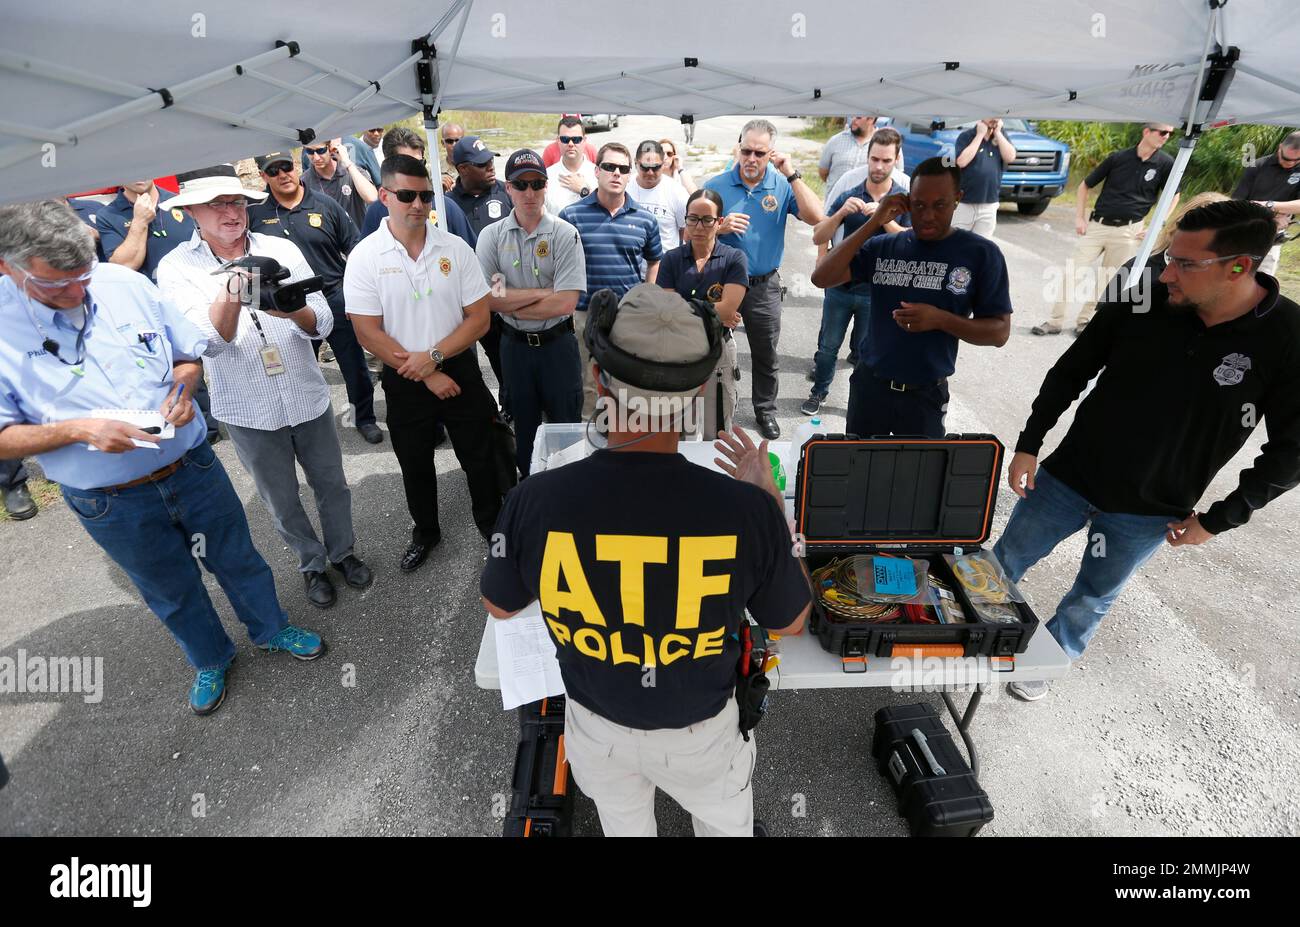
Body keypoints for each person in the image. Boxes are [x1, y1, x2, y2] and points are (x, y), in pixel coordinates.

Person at [481, 284, 810, 837]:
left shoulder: (533, 500)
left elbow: (500, 605)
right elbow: (791, 623)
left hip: (596, 724)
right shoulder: (747, 511)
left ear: (596, 378)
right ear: (701, 389)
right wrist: (775, 507)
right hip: (700, 733)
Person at [0, 199, 325, 715]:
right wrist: (77, 430)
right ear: (7, 267)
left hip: (191, 464)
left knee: (239, 559)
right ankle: (211, 657)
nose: (76, 292)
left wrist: (183, 386)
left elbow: (189, 352)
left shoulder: (122, 283)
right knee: (170, 587)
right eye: (55, 284)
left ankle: (272, 628)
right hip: (110, 499)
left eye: (82, 274)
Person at [994, 200, 1300, 701]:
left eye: (1185, 264)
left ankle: (1048, 657)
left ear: (1239, 267)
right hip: (1068, 477)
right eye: (1170, 259)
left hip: (1150, 508)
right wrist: (1030, 443)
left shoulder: (1288, 336)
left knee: (1092, 596)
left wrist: (1221, 518)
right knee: (1003, 561)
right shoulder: (1141, 295)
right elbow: (1073, 368)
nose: (1166, 275)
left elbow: (1291, 451)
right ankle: (963, 634)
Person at [157, 166, 374, 609]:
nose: (230, 212)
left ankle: (343, 552)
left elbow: (323, 322)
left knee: (332, 483)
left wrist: (288, 309)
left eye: (235, 201)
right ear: (191, 211)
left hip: (305, 392)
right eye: (216, 204)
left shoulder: (281, 247)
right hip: (247, 408)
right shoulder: (176, 267)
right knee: (281, 498)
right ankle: (312, 564)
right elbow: (208, 342)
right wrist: (237, 290)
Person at [344, 154, 509, 571]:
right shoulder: (365, 257)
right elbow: (368, 332)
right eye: (406, 195)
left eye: (424, 195)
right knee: (414, 463)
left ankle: (491, 525)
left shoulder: (454, 248)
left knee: (479, 457)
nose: (417, 204)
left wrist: (435, 359)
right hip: (404, 376)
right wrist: (426, 373)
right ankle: (426, 531)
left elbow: (480, 318)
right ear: (384, 196)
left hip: (458, 369)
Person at [812, 157, 1012, 438]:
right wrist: (874, 222)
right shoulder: (884, 246)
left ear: (958, 199)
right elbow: (821, 277)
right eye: (919, 205)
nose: (928, 215)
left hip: (925, 396)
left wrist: (940, 319)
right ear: (907, 201)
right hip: (870, 388)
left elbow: (999, 332)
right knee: (861, 477)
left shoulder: (980, 254)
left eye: (939, 205)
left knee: (917, 480)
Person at [247, 152, 384, 445]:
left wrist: (357, 297)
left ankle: (365, 418)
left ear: (297, 167)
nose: (283, 174)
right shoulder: (254, 214)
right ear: (263, 176)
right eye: (274, 171)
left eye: (287, 167)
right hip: (287, 307)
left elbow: (356, 251)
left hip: (334, 298)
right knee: (295, 369)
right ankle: (305, 424)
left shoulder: (325, 205)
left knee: (353, 366)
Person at [704, 119, 824, 439]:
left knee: (765, 352)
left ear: (772, 153)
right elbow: (691, 233)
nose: (752, 159)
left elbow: (816, 216)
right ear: (738, 147)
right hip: (722, 284)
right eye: (746, 150)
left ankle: (765, 410)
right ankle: (714, 410)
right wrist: (719, 227)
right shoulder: (716, 185)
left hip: (764, 284)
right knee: (712, 348)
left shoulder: (781, 185)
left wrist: (792, 173)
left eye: (760, 152)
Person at [476, 149, 586, 476]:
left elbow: (565, 303)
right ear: (507, 187)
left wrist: (512, 298)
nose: (529, 193)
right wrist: (543, 291)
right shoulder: (491, 236)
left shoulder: (565, 234)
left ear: (545, 186)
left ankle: (566, 492)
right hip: (515, 348)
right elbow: (488, 299)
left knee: (566, 428)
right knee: (524, 427)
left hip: (557, 347)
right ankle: (528, 492)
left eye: (536, 184)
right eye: (520, 185)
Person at [803, 127, 910, 416]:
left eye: (886, 161)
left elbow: (913, 244)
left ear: (896, 159)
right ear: (868, 156)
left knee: (864, 353)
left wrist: (883, 217)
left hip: (879, 292)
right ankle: (818, 392)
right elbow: (818, 235)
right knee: (827, 348)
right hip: (840, 287)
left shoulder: (903, 199)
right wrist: (839, 215)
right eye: (875, 159)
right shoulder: (851, 192)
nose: (878, 166)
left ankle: (857, 400)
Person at [1035, 123, 1177, 335]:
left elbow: (1174, 195)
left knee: (1108, 278)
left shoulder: (1165, 163)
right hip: (1098, 226)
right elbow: (1085, 185)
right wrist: (1079, 218)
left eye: (1170, 134)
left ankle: (1085, 321)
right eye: (1163, 132)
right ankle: (1055, 321)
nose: (1166, 137)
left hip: (1129, 231)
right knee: (1073, 271)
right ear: (1147, 132)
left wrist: (1158, 224)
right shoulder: (1118, 158)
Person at [559, 142, 663, 419]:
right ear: (596, 171)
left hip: (627, 315)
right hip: (583, 315)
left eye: (623, 168)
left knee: (627, 382)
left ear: (630, 175)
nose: (616, 173)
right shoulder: (571, 216)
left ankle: (625, 442)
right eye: (609, 167)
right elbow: (558, 265)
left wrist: (648, 297)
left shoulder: (645, 220)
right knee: (588, 385)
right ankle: (590, 444)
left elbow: (655, 261)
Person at [656, 188, 748, 440]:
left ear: (719, 222)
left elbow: (729, 309)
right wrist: (712, 312)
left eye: (707, 220)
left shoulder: (734, 258)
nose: (699, 226)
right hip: (678, 349)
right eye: (692, 218)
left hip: (718, 351)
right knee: (678, 429)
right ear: (685, 219)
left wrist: (685, 307)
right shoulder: (671, 259)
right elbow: (665, 311)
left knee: (716, 428)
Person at [448, 136, 514, 413]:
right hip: (460, 297)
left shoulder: (506, 194)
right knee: (463, 360)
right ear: (463, 169)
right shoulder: (446, 204)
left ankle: (510, 406)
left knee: (504, 357)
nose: (490, 166)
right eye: (481, 164)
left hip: (498, 292)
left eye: (490, 160)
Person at [359, 128, 476, 247]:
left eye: (420, 164)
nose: (416, 171)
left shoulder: (445, 207)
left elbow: (472, 254)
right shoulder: (376, 212)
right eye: (408, 164)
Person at [96, 180, 196, 282]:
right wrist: (139, 221)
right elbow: (125, 267)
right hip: (149, 294)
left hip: (190, 288)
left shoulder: (179, 202)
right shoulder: (107, 215)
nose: (138, 174)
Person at [1231, 130, 1300, 278]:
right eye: (1287, 159)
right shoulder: (1258, 165)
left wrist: (1270, 205)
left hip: (1274, 235)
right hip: (1248, 229)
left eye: (1296, 160)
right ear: (1280, 147)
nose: (1291, 163)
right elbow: (1237, 201)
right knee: (1238, 270)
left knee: (1263, 276)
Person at [951, 118, 1016, 238]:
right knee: (957, 243)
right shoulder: (967, 136)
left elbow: (1010, 157)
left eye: (998, 116)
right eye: (992, 115)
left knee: (982, 245)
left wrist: (998, 133)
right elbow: (961, 162)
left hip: (989, 203)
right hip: (965, 202)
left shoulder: (1001, 136)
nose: (995, 119)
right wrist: (979, 135)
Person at [303, 136, 379, 232]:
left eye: (321, 151)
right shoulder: (304, 181)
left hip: (358, 240)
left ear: (331, 149)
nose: (316, 157)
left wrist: (348, 164)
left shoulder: (352, 172)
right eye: (310, 151)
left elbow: (372, 198)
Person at [627, 140, 689, 251]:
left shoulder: (677, 192)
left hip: (665, 265)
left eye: (655, 167)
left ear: (663, 163)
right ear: (636, 163)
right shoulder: (625, 187)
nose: (650, 172)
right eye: (645, 167)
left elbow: (686, 231)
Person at [545, 116, 598, 215]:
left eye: (576, 139)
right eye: (565, 139)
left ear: (584, 140)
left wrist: (584, 191)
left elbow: (606, 211)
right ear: (558, 140)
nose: (570, 144)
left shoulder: (598, 174)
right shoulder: (547, 176)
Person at [818, 116, 877, 196]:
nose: (853, 120)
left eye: (858, 117)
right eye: (853, 116)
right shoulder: (835, 140)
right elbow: (823, 172)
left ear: (871, 119)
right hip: (835, 204)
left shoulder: (885, 144)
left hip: (866, 205)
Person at [439, 122, 465, 192]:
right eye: (449, 141)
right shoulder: (435, 170)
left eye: (457, 140)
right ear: (443, 143)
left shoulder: (474, 166)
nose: (454, 145)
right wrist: (438, 187)